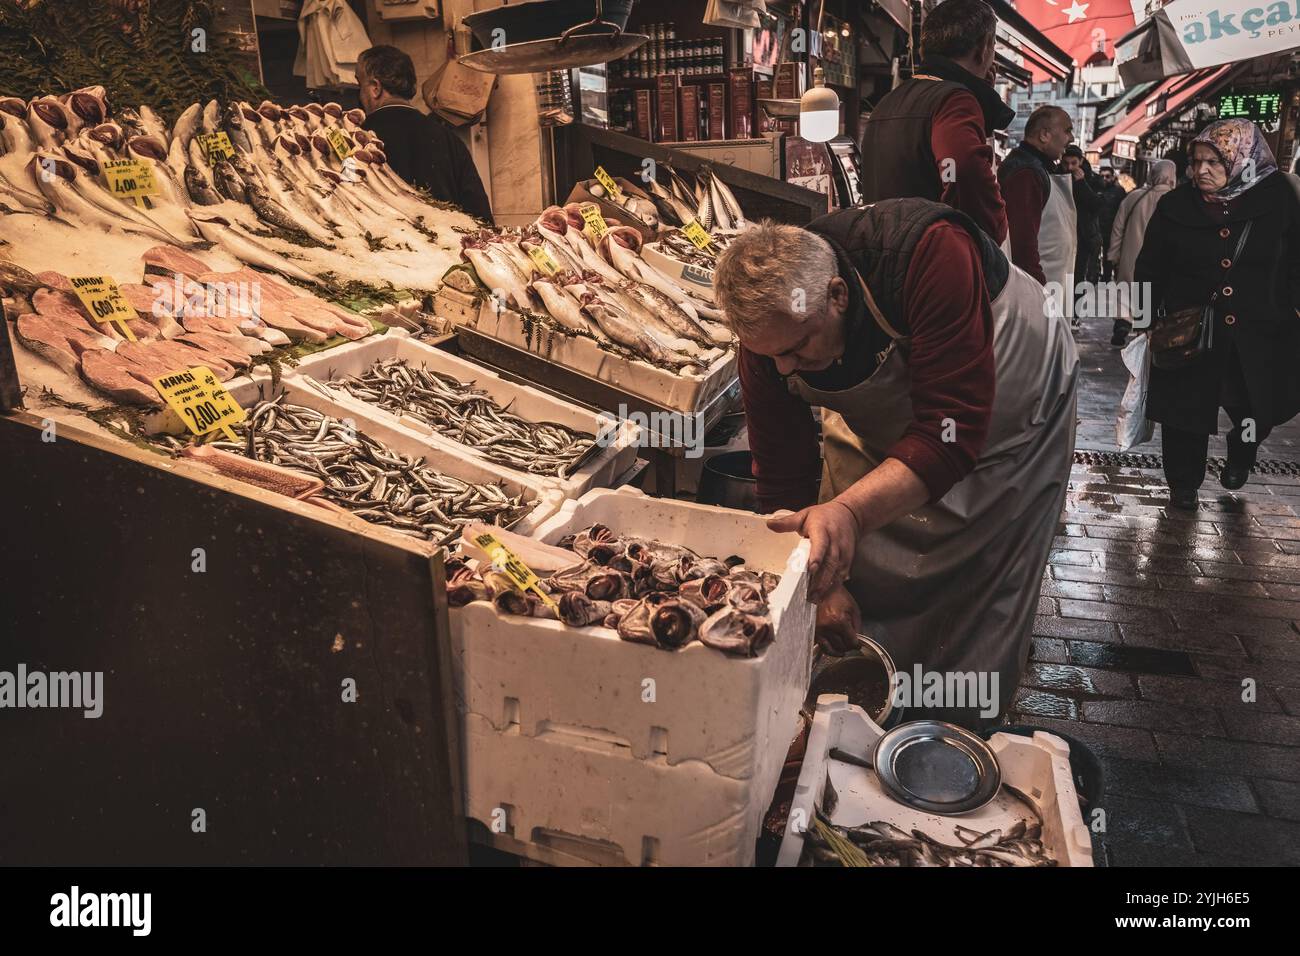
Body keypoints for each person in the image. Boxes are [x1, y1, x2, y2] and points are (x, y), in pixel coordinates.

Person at [714, 200, 1078, 729]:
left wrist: (853, 515)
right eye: (772, 356)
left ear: (838, 295)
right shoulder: (771, 341)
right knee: (853, 563)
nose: (784, 367)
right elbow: (782, 477)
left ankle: (955, 732)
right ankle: (870, 709)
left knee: (979, 587)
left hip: (1008, 406)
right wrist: (820, 582)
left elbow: (949, 436)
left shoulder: (932, 252)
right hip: (896, 423)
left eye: (797, 348)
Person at [1135, 119, 1300, 509]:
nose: (1201, 170)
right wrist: (1146, 320)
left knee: (1256, 409)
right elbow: (1150, 266)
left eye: (1214, 162)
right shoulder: (1175, 205)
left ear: (1242, 160)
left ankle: (1241, 451)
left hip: (1259, 329)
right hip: (1190, 329)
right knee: (1184, 413)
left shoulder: (1278, 197)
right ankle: (1183, 484)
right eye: (1196, 161)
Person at [858, 0, 1012, 243]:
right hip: (932, 258)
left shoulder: (888, 102)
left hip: (884, 253)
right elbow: (961, 166)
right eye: (993, 46)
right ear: (983, 48)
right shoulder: (954, 99)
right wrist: (988, 229)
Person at [355, 45, 493, 223]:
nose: (359, 94)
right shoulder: (448, 138)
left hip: (382, 247)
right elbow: (481, 216)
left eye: (359, 85)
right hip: (447, 246)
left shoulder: (359, 137)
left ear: (375, 87)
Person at [999, 105, 1074, 285]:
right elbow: (1022, 244)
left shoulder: (1036, 169)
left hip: (1049, 287)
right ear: (1044, 135)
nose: (1071, 138)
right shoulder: (1026, 173)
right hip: (1039, 291)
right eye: (1067, 130)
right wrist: (1038, 292)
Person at [1107, 159, 1176, 346]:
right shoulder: (1177, 201)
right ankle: (1145, 328)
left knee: (1126, 291)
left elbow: (1118, 227)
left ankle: (1123, 322)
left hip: (1131, 255)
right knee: (1152, 293)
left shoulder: (1134, 197)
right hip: (1161, 259)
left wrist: (1113, 255)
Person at [1062, 146, 1102, 323]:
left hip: (1083, 236)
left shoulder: (1092, 180)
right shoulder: (1058, 175)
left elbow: (1097, 205)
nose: (1070, 167)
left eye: (1074, 163)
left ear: (1081, 162)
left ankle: (1075, 313)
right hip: (1063, 233)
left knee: (1079, 275)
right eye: (1066, 163)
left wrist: (1081, 184)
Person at [1096, 162, 1127, 282]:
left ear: (1113, 177)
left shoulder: (1119, 191)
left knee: (1109, 255)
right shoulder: (1096, 189)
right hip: (1097, 228)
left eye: (1107, 176)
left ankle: (1107, 276)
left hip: (1111, 228)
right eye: (1102, 176)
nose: (1105, 179)